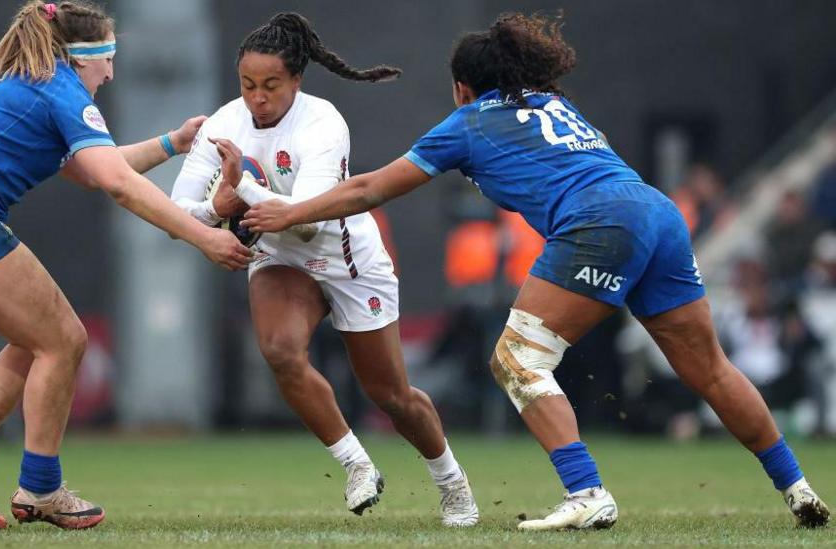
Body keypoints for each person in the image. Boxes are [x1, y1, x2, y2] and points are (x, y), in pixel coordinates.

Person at [242, 12, 830, 530]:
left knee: (517, 360)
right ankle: (797, 488)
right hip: (657, 212)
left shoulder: (468, 121)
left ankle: (586, 491)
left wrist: (290, 211)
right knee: (712, 369)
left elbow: (370, 187)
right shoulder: (552, 102)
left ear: (462, 87)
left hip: (599, 221)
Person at [0, 0, 251, 531]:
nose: (111, 72)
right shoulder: (59, 88)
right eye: (108, 58)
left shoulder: (30, 84)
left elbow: (93, 170)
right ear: (85, 57)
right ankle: (40, 488)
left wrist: (173, 144)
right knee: (63, 341)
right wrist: (202, 237)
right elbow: (115, 184)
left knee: (33, 339)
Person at [172, 12, 478, 526]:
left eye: (271, 85)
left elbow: (307, 220)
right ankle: (357, 465)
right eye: (247, 84)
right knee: (279, 350)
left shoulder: (322, 122)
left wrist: (238, 191)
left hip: (343, 255)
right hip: (279, 255)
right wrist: (216, 210)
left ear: (296, 79)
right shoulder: (223, 124)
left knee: (391, 395)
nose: (257, 97)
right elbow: (182, 209)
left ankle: (452, 482)